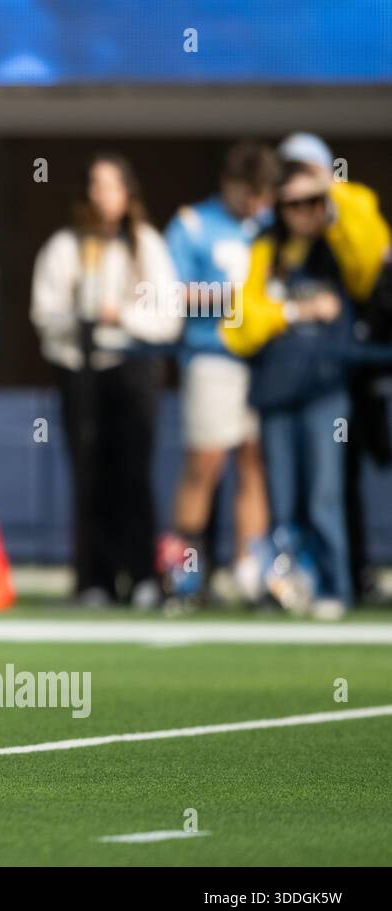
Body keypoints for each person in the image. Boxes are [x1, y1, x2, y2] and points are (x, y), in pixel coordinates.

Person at [221, 160, 390, 618]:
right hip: (276, 390)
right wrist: (295, 313)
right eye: (293, 203)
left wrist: (333, 190)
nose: (304, 212)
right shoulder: (265, 247)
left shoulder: (340, 244)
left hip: (327, 389)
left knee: (324, 494)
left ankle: (335, 585)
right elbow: (238, 325)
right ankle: (289, 586)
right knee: (283, 498)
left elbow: (371, 253)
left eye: (312, 201)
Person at [30, 153, 181, 608]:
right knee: (89, 475)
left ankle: (142, 578)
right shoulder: (65, 245)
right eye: (95, 186)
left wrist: (124, 316)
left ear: (127, 193)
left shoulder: (146, 244)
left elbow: (167, 318)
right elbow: (46, 315)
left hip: (132, 369)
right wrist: (83, 317)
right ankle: (93, 580)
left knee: (132, 475)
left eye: (112, 186)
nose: (103, 196)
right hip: (81, 370)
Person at [158, 142, 277, 606]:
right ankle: (184, 574)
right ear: (229, 184)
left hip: (263, 360)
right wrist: (236, 301)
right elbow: (168, 293)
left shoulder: (270, 226)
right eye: (250, 194)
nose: (256, 205)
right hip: (213, 355)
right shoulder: (193, 225)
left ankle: (251, 573)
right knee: (206, 462)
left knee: (253, 460)